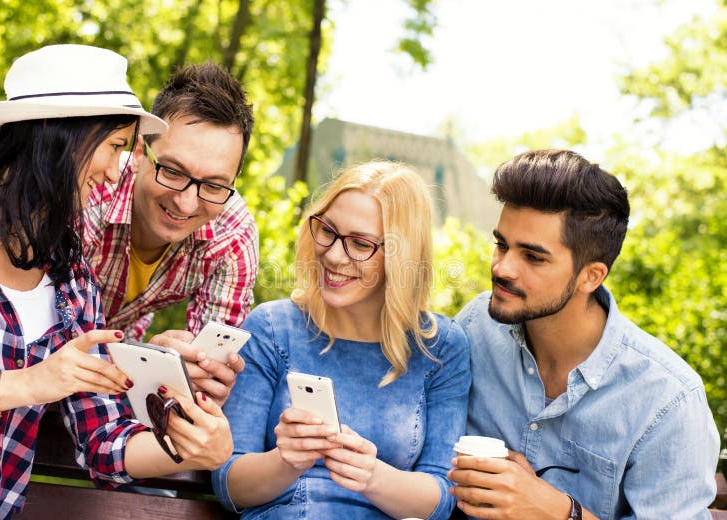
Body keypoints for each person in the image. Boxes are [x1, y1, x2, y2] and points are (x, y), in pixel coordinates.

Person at [0, 44, 232, 520]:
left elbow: (104, 441)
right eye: (114, 147)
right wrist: (27, 384)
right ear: (60, 135)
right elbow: (33, 386)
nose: (117, 172)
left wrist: (187, 445)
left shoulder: (73, 283)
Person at [449, 149, 720, 519]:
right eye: (501, 244)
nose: (502, 267)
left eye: (533, 257)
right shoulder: (476, 325)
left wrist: (559, 512)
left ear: (591, 276)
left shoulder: (667, 401)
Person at [212, 161, 472, 519]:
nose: (334, 255)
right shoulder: (273, 328)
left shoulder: (439, 347)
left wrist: (372, 477)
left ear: (400, 256)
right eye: (328, 231)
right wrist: (286, 461)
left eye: (360, 244)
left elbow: (442, 499)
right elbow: (230, 486)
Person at [82, 62, 257, 404]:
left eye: (214, 185)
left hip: (113, 384)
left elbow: (205, 377)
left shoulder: (232, 236)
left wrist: (201, 375)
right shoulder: (90, 198)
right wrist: (146, 358)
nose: (187, 203)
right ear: (137, 152)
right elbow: (39, 343)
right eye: (173, 172)